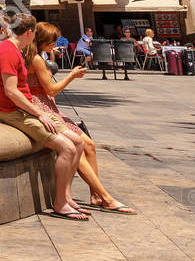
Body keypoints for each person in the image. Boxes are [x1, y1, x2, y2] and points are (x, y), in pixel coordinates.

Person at [29, 22, 135, 214]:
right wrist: (72, 75)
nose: (55, 44)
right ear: (43, 40)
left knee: (90, 145)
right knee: (77, 145)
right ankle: (105, 197)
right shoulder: (35, 58)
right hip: (42, 108)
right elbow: (51, 89)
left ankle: (95, 195)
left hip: (48, 105)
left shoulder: (41, 56)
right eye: (53, 41)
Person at [0, 16, 88, 220]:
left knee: (78, 143)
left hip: (25, 108)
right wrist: (40, 113)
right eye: (34, 32)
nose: (35, 36)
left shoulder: (14, 50)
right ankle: (59, 203)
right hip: (14, 112)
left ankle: (66, 196)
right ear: (29, 33)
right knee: (67, 148)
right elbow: (11, 92)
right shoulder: (8, 52)